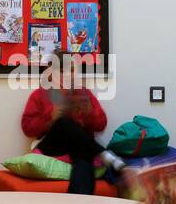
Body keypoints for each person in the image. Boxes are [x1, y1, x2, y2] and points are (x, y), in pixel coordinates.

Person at [19, 62, 125, 194]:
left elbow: (101, 125)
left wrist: (89, 113)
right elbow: (27, 128)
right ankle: (104, 154)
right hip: (53, 145)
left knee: (83, 158)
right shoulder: (40, 94)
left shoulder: (83, 93)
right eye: (62, 71)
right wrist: (50, 119)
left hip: (81, 146)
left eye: (71, 71)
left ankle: (79, 203)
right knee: (63, 123)